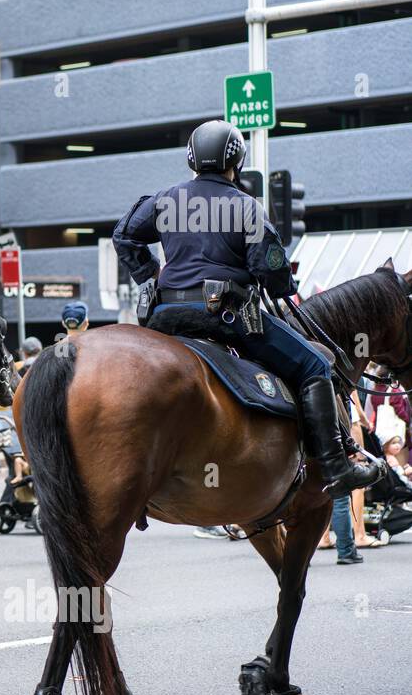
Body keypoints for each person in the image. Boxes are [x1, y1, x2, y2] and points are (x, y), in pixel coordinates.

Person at [113, 119, 381, 500]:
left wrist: (150, 276)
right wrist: (283, 283)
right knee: (315, 365)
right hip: (225, 317)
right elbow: (270, 271)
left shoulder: (163, 200)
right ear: (236, 161)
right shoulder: (244, 206)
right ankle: (336, 467)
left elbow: (123, 235)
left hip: (165, 318)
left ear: (192, 160)